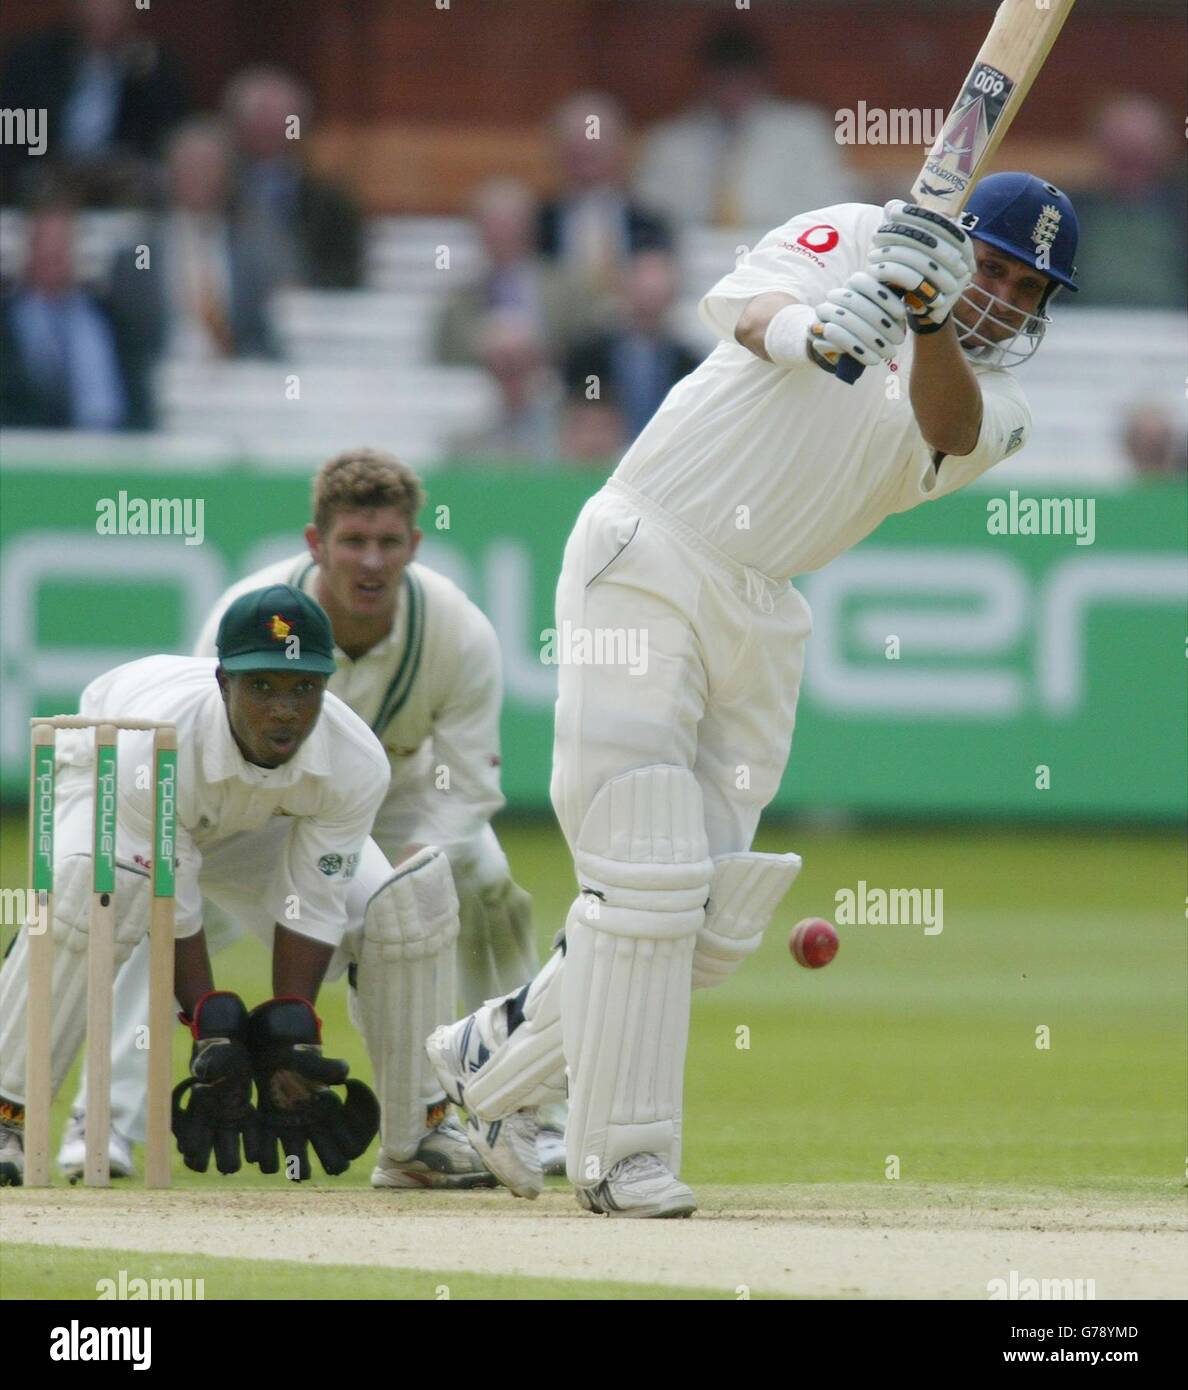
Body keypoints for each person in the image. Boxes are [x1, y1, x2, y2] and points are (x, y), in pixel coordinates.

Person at [426, 172, 1081, 1214]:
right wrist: (816, 332)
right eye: (993, 267)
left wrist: (926, 315)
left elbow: (945, 427)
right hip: (654, 542)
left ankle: (492, 1060)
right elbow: (739, 305)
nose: (1005, 295)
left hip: (765, 606)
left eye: (1028, 287)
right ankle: (620, 1160)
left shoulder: (1000, 406)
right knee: (645, 863)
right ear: (959, 239)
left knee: (712, 913)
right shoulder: (868, 232)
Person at [54, 449, 557, 1183]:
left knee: (456, 882)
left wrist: (411, 866)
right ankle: (103, 1127)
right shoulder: (252, 606)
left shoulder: (458, 631)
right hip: (241, 820)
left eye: (389, 543)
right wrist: (216, 1017)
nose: (372, 561)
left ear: (414, 547)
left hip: (394, 805)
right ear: (316, 544)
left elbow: (468, 783)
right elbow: (190, 772)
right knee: (143, 902)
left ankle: (497, 1113)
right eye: (354, 541)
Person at [0, 583, 495, 1189]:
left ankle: (421, 1132)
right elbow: (171, 907)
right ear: (223, 682)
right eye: (261, 686)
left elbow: (315, 898)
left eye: (303, 688)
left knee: (402, 910)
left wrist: (290, 1037)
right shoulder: (153, 752)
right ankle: (9, 1116)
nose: (285, 709)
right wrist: (214, 1029)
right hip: (106, 772)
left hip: (261, 819)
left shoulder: (355, 760)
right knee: (92, 895)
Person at [634, 22, 860, 231]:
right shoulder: (669, 142)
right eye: (723, 80)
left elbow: (832, 207)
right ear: (705, 81)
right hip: (693, 261)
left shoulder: (805, 132)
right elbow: (650, 218)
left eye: (742, 79)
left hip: (784, 256)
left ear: (762, 77)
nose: (732, 90)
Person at [107, 118, 280, 363]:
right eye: (188, 164)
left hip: (233, 382)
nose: (197, 175)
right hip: (157, 385)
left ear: (227, 175)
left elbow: (260, 337)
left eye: (207, 165)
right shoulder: (135, 257)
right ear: (168, 172)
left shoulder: (252, 255)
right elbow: (122, 341)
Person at [0, 0, 191, 206]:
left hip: (123, 185)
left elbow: (168, 136)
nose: (104, 10)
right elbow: (11, 131)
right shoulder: (33, 59)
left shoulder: (154, 68)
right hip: (47, 178)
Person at [0, 202, 151, 430]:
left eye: (61, 245)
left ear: (76, 252)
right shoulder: (6, 321)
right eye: (45, 245)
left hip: (110, 452)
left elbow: (137, 396)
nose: (53, 255)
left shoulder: (111, 320)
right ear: (28, 251)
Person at [222, 66, 364, 290]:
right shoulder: (213, 190)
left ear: (300, 127)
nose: (268, 128)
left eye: (280, 121)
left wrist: (305, 288)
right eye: (257, 119)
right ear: (235, 126)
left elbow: (347, 271)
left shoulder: (331, 201)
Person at [536, 93, 672, 292]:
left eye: (595, 148)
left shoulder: (651, 224)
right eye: (576, 149)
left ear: (620, 148)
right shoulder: (537, 225)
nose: (585, 150)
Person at [563, 250, 702, 440]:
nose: (649, 304)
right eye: (643, 293)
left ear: (671, 298)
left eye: (656, 295)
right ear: (624, 291)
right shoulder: (589, 357)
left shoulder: (690, 366)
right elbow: (584, 405)